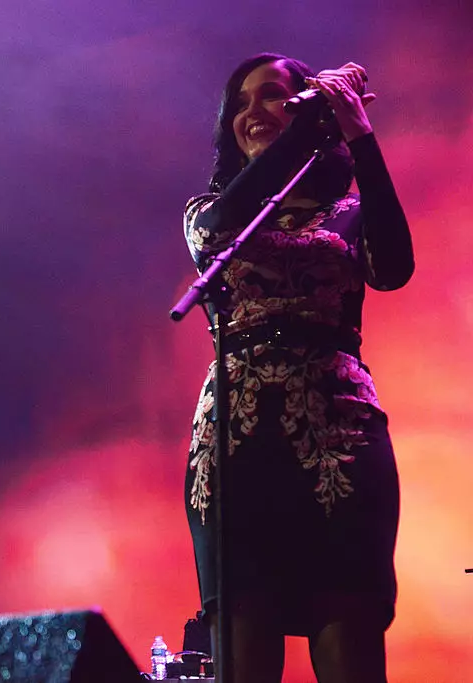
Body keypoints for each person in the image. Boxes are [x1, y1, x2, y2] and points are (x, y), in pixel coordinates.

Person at [183, 53, 414, 683]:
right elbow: (226, 222)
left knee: (349, 622)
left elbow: (393, 267)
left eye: (273, 97)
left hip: (336, 432)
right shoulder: (209, 213)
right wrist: (307, 126)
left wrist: (357, 131)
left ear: (308, 105)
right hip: (237, 439)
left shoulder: (348, 212)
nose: (253, 113)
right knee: (244, 629)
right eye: (241, 103)